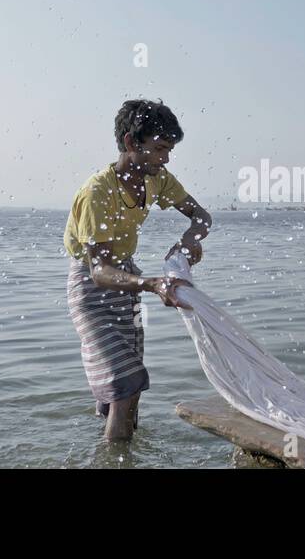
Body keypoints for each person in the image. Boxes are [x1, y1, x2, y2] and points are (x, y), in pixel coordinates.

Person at [64, 99, 212, 442]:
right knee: (123, 382)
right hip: (91, 286)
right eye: (159, 148)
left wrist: (189, 242)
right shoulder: (97, 192)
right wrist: (151, 284)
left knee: (131, 389)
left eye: (169, 150)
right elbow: (99, 270)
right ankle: (114, 459)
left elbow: (202, 216)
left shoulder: (157, 180)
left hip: (127, 278)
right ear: (132, 143)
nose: (165, 158)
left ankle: (119, 451)